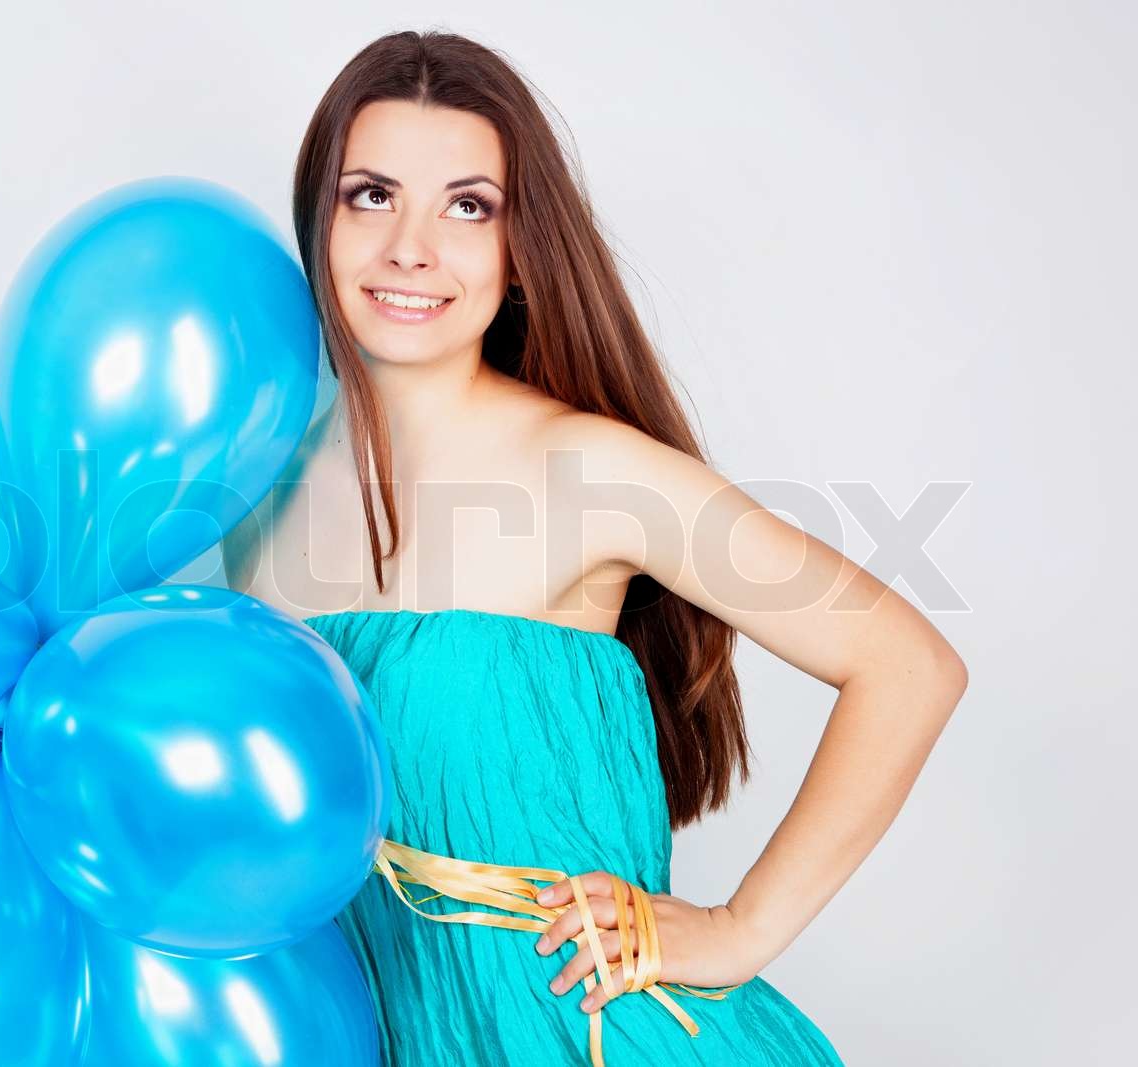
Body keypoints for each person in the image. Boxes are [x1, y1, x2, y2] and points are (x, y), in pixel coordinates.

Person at [223, 28, 968, 1067]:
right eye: (372, 194)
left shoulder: (592, 471)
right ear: (319, 217)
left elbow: (906, 663)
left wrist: (736, 926)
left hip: (576, 1032)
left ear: (520, 245)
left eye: (467, 206)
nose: (411, 247)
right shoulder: (253, 494)